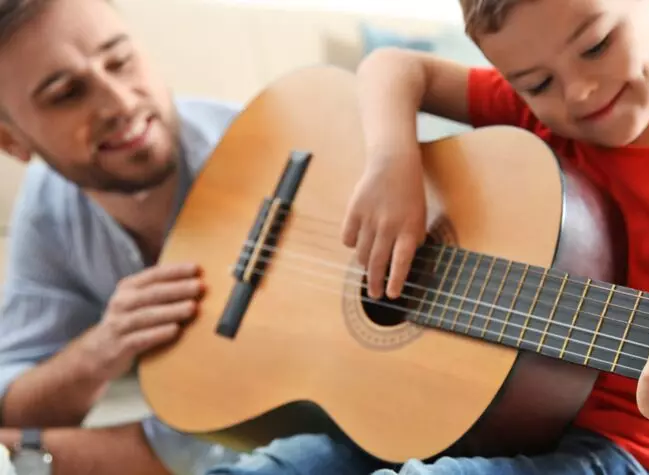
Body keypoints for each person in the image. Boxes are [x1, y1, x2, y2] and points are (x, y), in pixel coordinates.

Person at [211, 0, 649, 474]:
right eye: (536, 83)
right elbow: (392, 66)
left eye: (597, 46)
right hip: (447, 407)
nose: (579, 91)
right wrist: (392, 163)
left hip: (626, 447)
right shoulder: (537, 115)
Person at [0, 0, 377, 474]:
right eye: (66, 93)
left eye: (121, 61)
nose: (121, 102)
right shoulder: (51, 210)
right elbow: (12, 397)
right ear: (12, 142)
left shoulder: (280, 155)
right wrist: (99, 352)